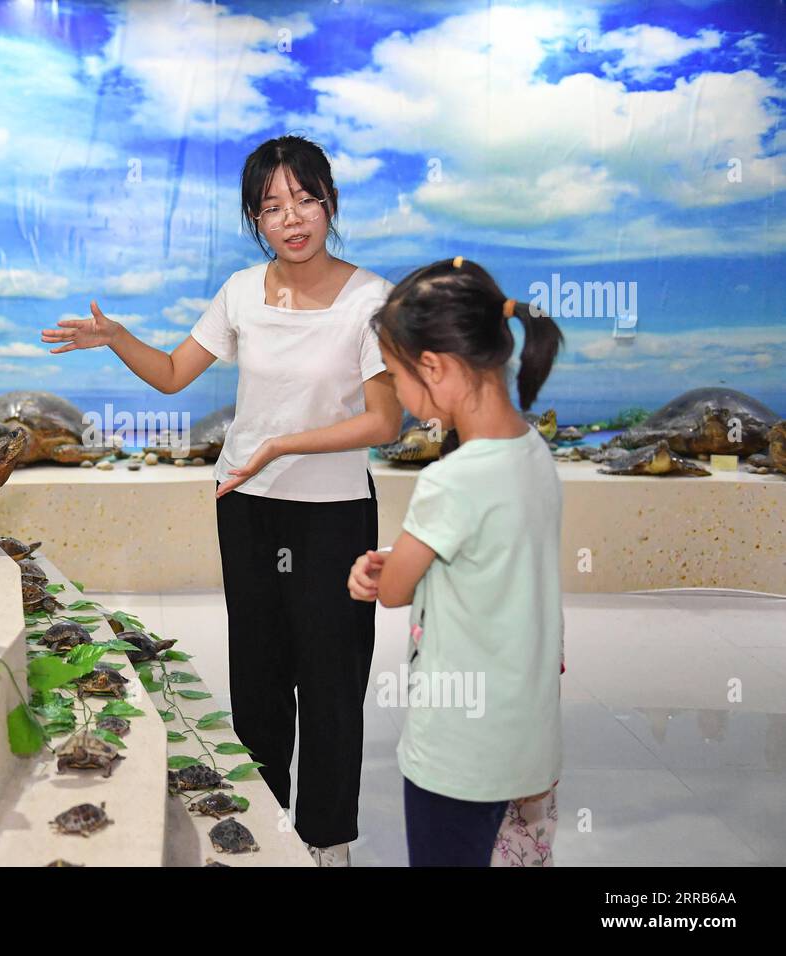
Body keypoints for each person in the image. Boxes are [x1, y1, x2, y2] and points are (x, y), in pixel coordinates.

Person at [43, 135, 401, 866]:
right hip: (246, 504)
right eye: (272, 206)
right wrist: (116, 337)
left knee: (332, 681)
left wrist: (284, 446)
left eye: (304, 198)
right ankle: (265, 834)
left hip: (333, 511)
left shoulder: (372, 299)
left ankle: (329, 840)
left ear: (329, 201)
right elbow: (175, 373)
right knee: (260, 675)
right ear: (254, 219)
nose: (292, 217)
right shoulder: (241, 290)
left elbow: (385, 421)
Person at [348, 255, 565, 867]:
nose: (400, 394)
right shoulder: (532, 452)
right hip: (526, 740)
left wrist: (378, 569)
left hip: (460, 751)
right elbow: (491, 551)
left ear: (435, 368)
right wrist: (404, 558)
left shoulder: (452, 480)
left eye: (395, 374)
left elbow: (392, 592)